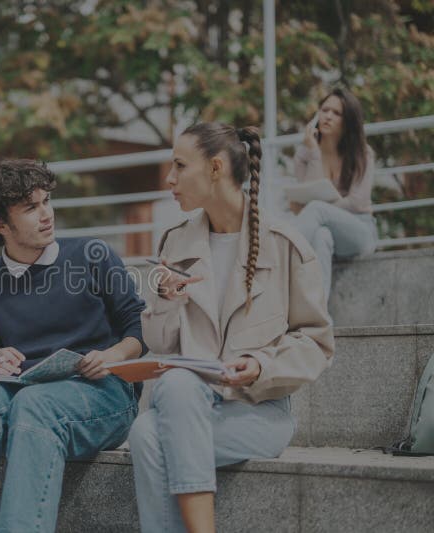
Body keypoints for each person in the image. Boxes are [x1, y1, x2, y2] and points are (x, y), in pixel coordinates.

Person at [127, 123, 334, 533]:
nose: (170, 179)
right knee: (149, 427)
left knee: (158, 417)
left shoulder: (286, 244)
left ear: (216, 168)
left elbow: (316, 342)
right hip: (189, 405)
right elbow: (158, 342)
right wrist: (168, 300)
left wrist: (261, 365)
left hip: (257, 414)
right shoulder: (174, 244)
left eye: (180, 166)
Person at [0, 159, 147, 533]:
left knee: (33, 405)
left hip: (104, 394)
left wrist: (112, 355)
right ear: (0, 225)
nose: (46, 215)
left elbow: (138, 331)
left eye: (47, 201)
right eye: (31, 208)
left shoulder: (92, 256)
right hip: (25, 392)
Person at [291, 87, 378, 299]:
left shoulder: (362, 153)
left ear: (348, 121)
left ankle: (282, 257)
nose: (327, 116)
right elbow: (301, 202)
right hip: (325, 233)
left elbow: (357, 203)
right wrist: (313, 154)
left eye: (336, 113)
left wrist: (319, 208)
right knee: (321, 236)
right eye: (324, 109)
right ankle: (321, 319)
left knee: (317, 209)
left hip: (360, 232)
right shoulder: (304, 153)